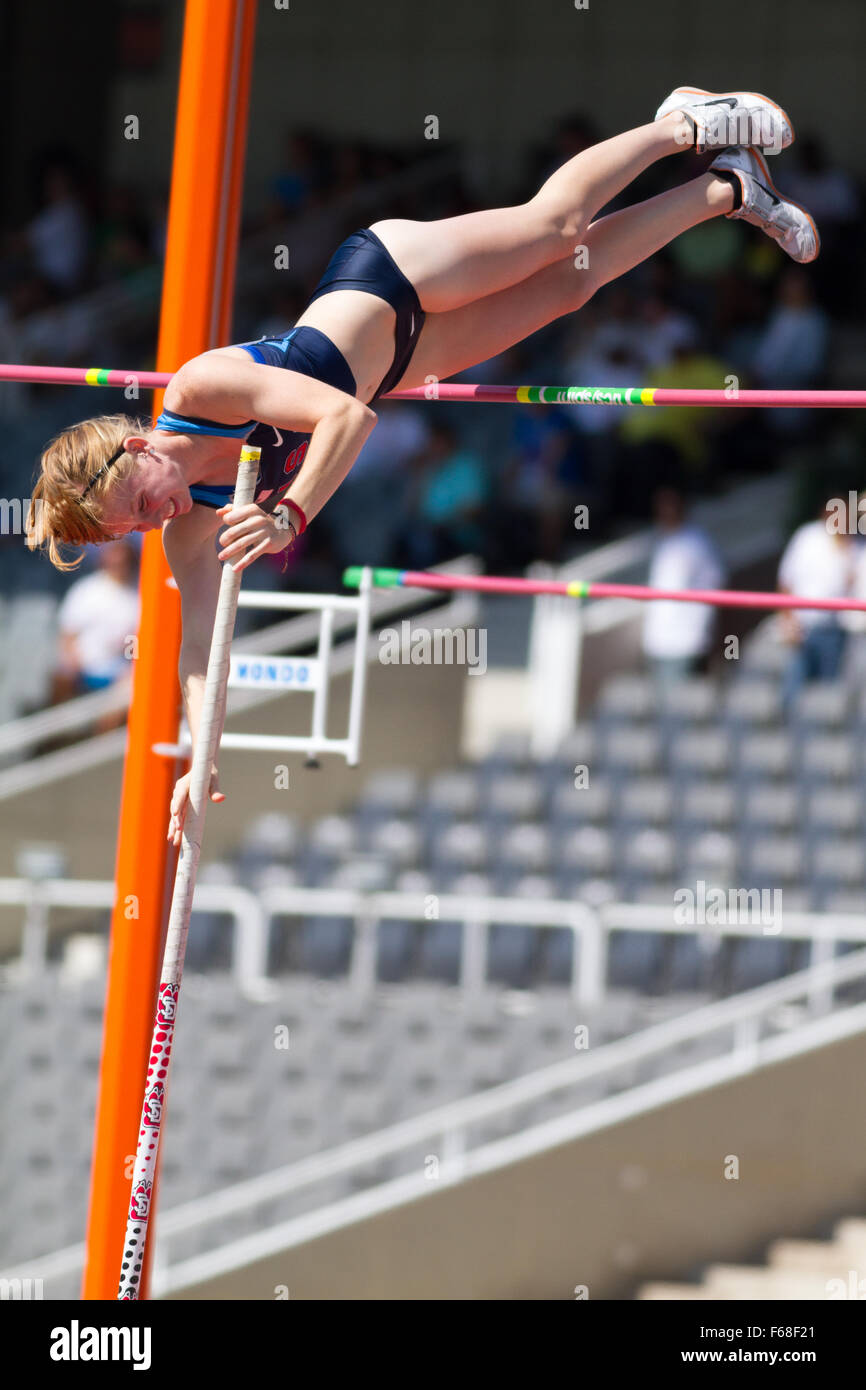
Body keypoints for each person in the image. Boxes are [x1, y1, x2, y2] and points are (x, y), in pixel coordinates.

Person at [26, 87, 817, 844]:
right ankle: (726, 191)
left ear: (132, 449)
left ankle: (680, 125)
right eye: (126, 530)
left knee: (555, 228)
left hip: (387, 276)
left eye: (133, 504)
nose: (146, 523)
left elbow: (344, 416)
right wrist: (201, 755)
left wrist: (287, 515)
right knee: (574, 286)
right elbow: (200, 645)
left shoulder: (202, 388)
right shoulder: (188, 533)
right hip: (405, 357)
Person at [777, 497, 859, 707]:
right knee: (793, 688)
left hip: (835, 630)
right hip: (802, 625)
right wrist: (788, 620)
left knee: (826, 694)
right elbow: (786, 580)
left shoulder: (855, 548)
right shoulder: (807, 537)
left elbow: (854, 589)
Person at [642, 486, 725, 688]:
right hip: (658, 640)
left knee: (677, 708)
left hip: (684, 640)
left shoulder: (697, 543)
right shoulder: (662, 541)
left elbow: (715, 585)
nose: (663, 513)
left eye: (668, 507)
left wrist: (701, 630)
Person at [53, 541, 140, 723]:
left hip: (117, 671)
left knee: (126, 689)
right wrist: (73, 662)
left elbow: (135, 641)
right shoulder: (87, 590)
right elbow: (68, 635)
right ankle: (58, 734)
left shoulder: (137, 595)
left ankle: (98, 739)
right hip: (84, 667)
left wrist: (129, 667)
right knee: (60, 678)